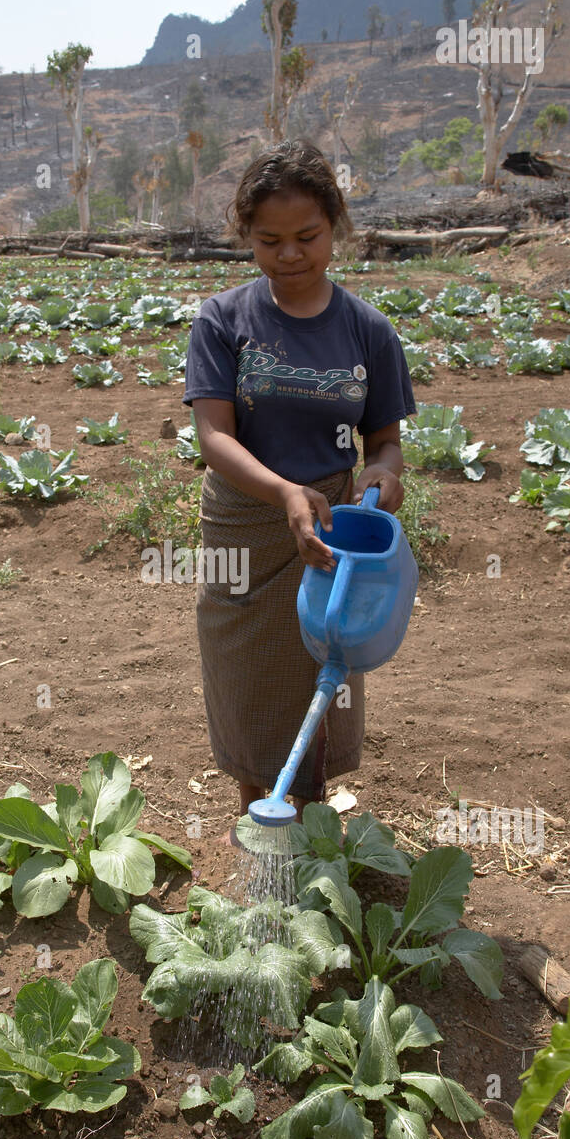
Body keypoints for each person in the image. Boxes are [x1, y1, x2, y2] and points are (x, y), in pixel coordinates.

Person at [182, 139, 416, 844]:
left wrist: (385, 475)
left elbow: (386, 442)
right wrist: (284, 492)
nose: (289, 255)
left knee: (325, 671)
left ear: (335, 227)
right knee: (249, 684)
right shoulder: (223, 322)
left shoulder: (368, 331)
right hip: (246, 530)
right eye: (269, 240)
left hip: (330, 535)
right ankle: (257, 823)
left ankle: (310, 829)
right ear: (246, 239)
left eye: (307, 237)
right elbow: (214, 437)